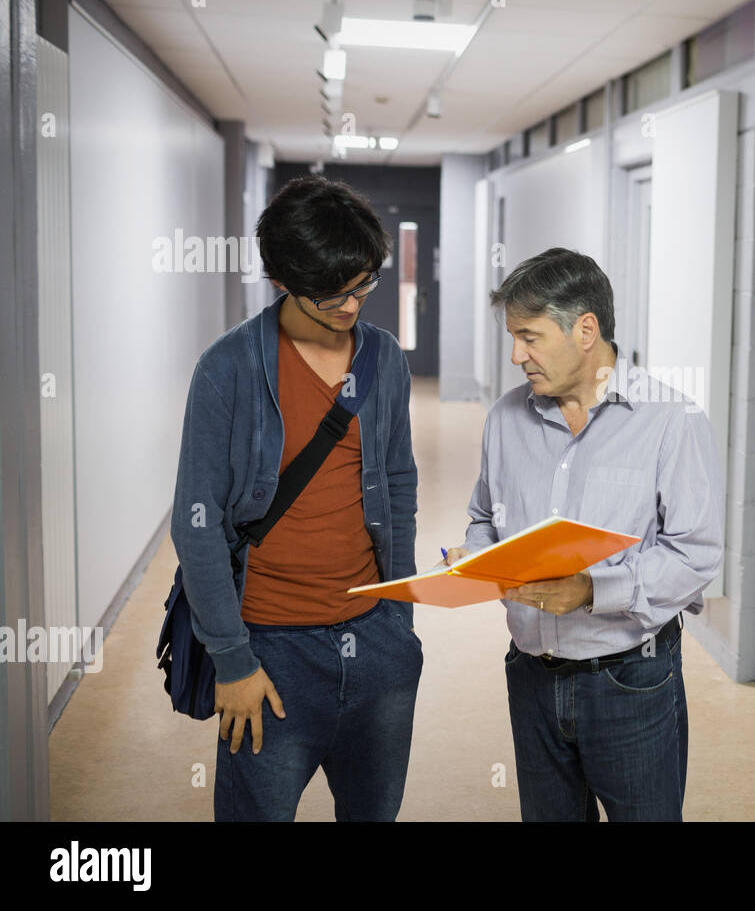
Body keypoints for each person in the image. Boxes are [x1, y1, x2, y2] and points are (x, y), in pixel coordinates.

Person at [170, 174, 422, 821]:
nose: (350, 305)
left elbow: (398, 483)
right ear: (281, 280)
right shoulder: (228, 369)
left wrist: (399, 620)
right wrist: (233, 662)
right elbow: (196, 523)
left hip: (375, 637)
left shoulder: (383, 360)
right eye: (330, 293)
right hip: (269, 647)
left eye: (363, 284)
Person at [443, 247, 724, 821]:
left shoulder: (671, 421)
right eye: (513, 337)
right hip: (530, 675)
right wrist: (479, 558)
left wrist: (592, 590)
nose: (517, 355)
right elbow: (484, 515)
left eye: (530, 337)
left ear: (586, 330)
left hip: (630, 678)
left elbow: (694, 555)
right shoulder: (505, 418)